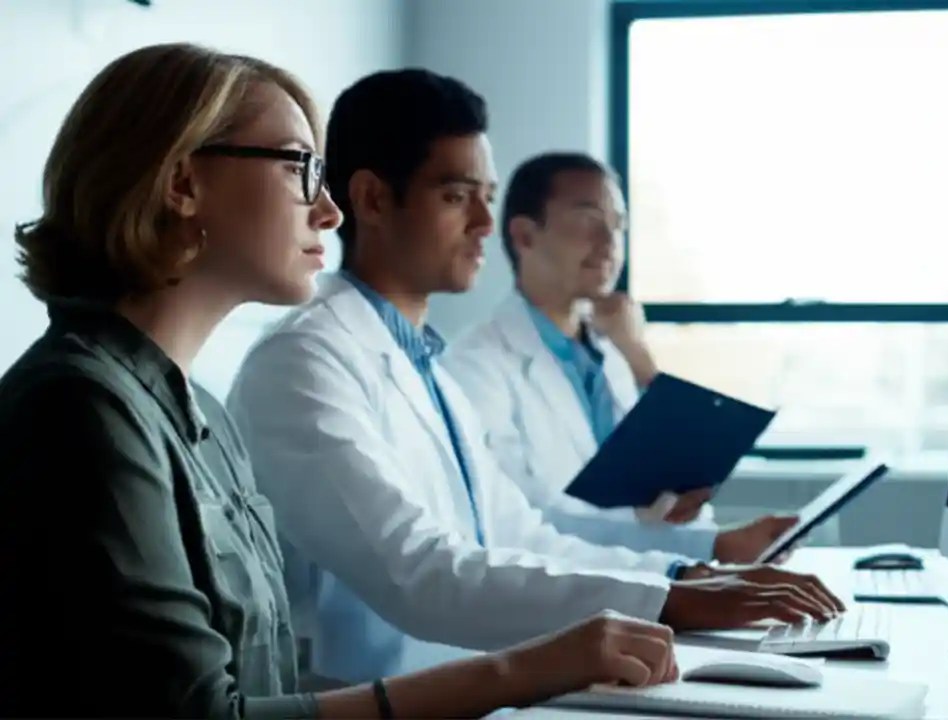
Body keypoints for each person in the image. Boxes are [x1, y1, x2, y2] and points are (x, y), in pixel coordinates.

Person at [0, 43, 685, 719]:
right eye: (301, 168)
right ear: (183, 184)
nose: (328, 211)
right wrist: (527, 668)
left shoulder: (193, 410)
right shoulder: (80, 408)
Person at [225, 67, 844, 683]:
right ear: (372, 199)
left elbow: (521, 535)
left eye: (487, 197)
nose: (485, 226)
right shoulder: (304, 361)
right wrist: (673, 597)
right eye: (456, 196)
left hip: (480, 680)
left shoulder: (420, 362)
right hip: (385, 692)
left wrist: (681, 577)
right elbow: (419, 573)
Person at [443, 151, 779, 560]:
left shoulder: (614, 354)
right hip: (565, 598)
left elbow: (645, 505)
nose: (609, 245)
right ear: (524, 236)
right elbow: (524, 521)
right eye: (588, 220)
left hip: (649, 581)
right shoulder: (475, 365)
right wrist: (712, 547)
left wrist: (639, 358)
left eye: (617, 226)